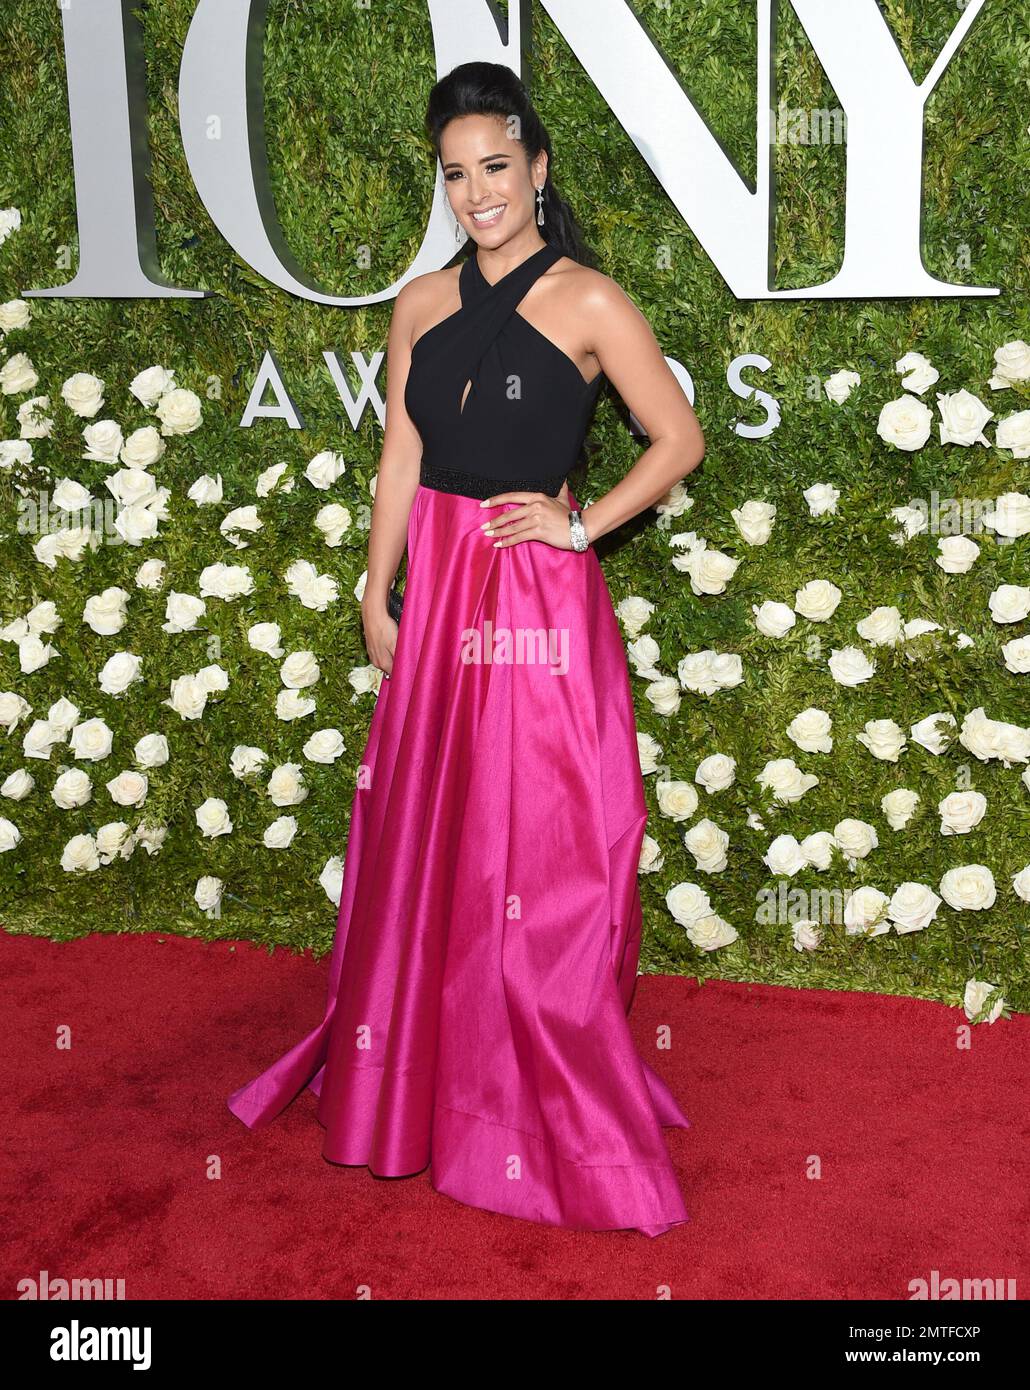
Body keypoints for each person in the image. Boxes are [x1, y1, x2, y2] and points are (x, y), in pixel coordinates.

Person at [227, 61, 705, 1236]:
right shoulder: (421, 306)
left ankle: (525, 1090)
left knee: (540, 849)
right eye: (456, 173)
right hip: (437, 591)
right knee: (427, 833)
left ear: (537, 169)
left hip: (532, 598)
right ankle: (416, 1082)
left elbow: (678, 437)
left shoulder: (591, 301)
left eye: (496, 166)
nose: (477, 191)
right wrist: (374, 588)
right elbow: (399, 456)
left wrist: (581, 521)